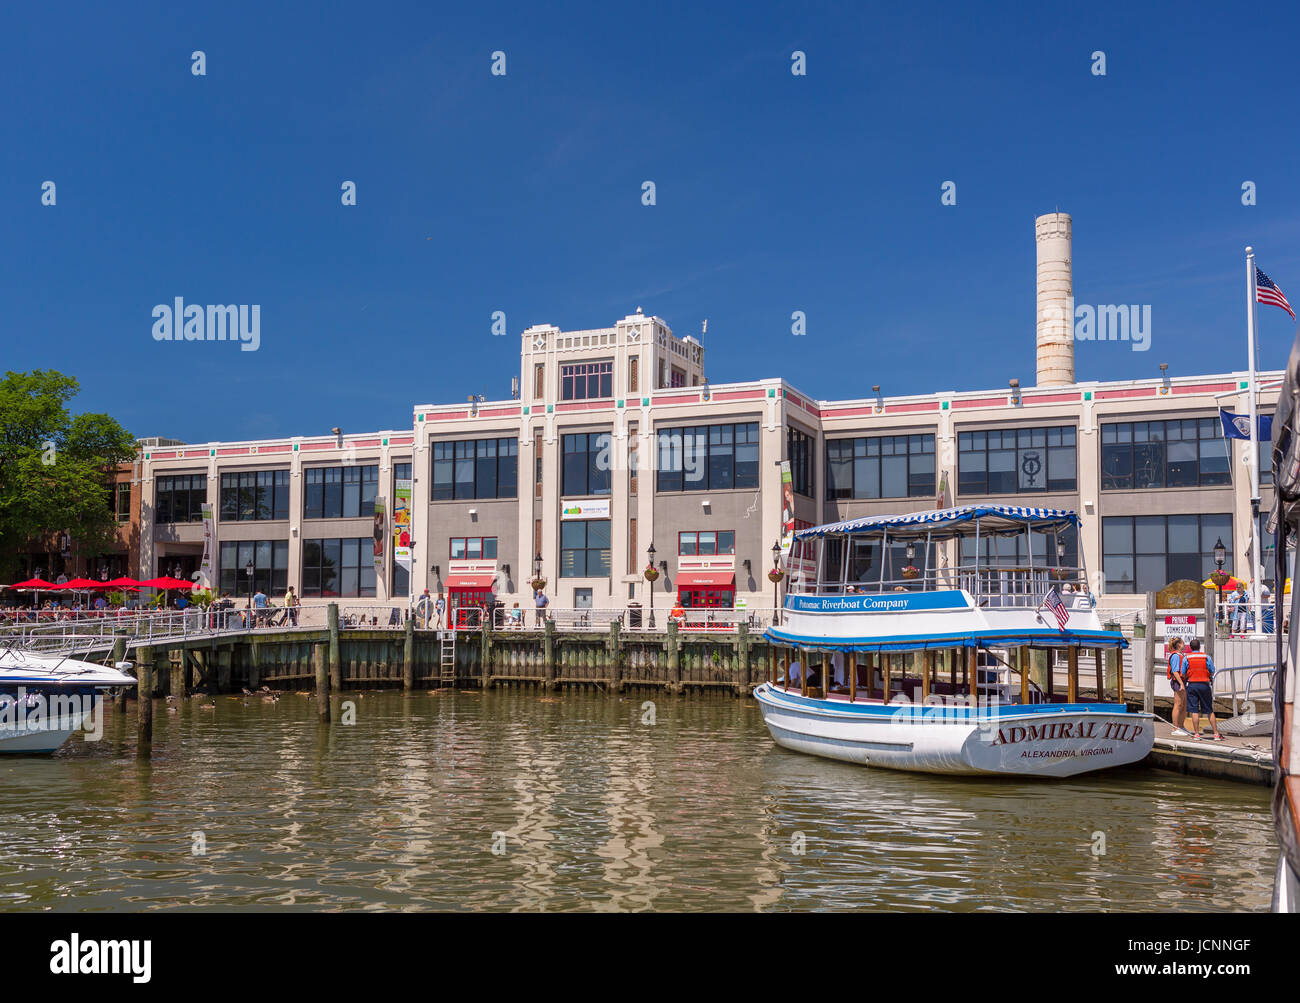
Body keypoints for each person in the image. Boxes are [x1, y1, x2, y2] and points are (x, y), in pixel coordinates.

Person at [1184, 639, 1223, 740]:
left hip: (1192, 684)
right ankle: (1216, 734)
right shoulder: (1206, 657)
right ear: (1199, 647)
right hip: (1204, 684)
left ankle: (1196, 734)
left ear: (1191, 648)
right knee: (1209, 710)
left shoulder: (1186, 658)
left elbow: (1183, 672)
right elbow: (1212, 670)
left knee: (1194, 710)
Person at [1166, 637, 1190, 737]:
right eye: (1183, 643)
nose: (1184, 645)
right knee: (1178, 704)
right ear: (1179, 644)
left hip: (1184, 681)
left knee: (1183, 705)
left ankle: (1181, 725)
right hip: (1178, 682)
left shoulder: (1182, 655)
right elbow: (1175, 671)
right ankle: (1175, 727)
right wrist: (1181, 683)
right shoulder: (1175, 656)